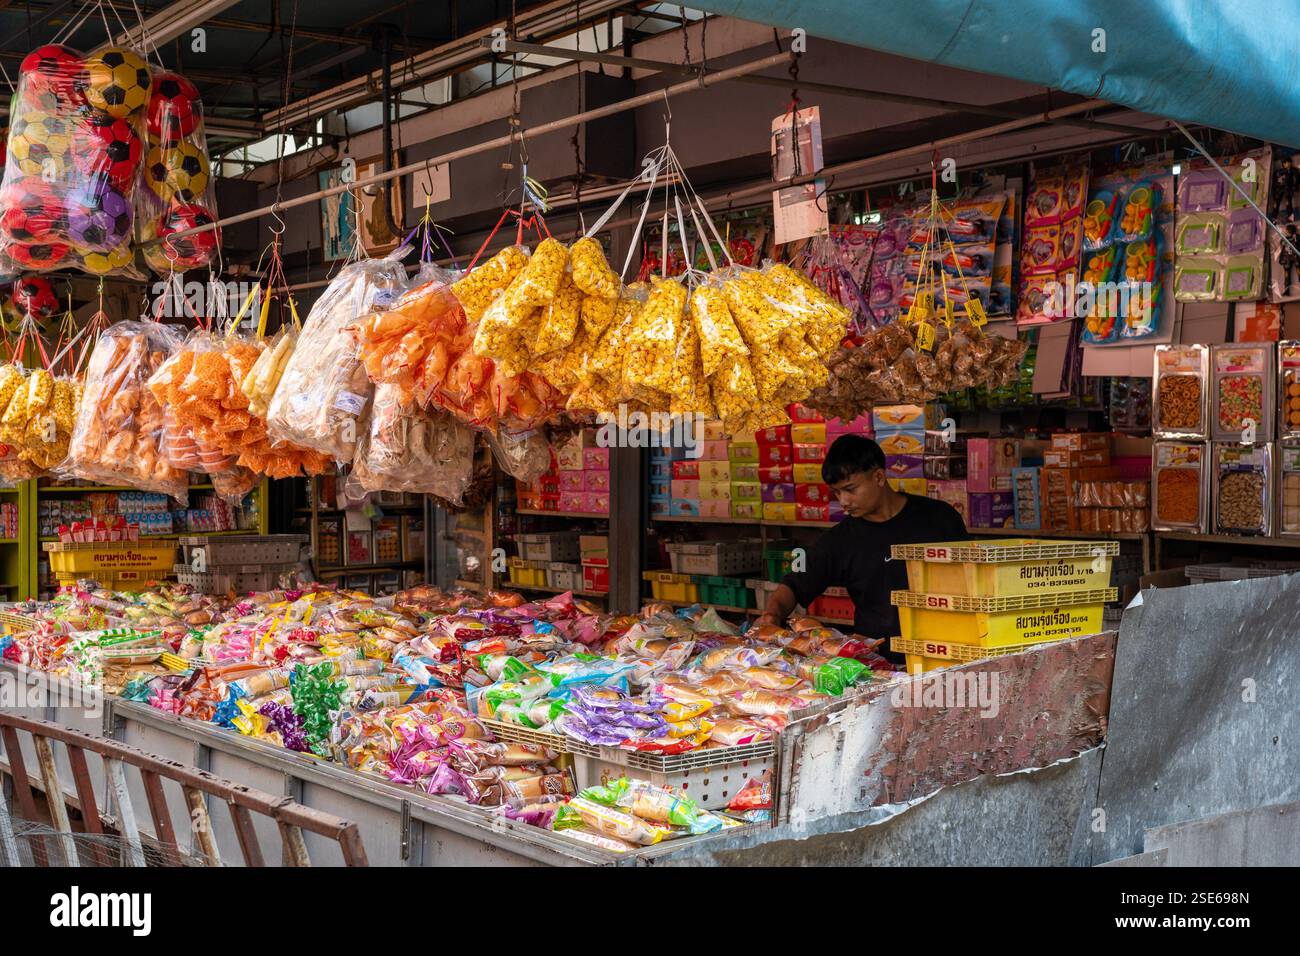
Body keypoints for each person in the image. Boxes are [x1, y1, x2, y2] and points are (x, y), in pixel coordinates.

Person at [756, 434, 967, 663]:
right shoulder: (840, 539)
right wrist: (772, 615)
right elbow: (793, 584)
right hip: (878, 663)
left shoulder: (939, 518)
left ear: (878, 477)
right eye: (837, 493)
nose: (843, 501)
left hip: (946, 655)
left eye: (850, 489)